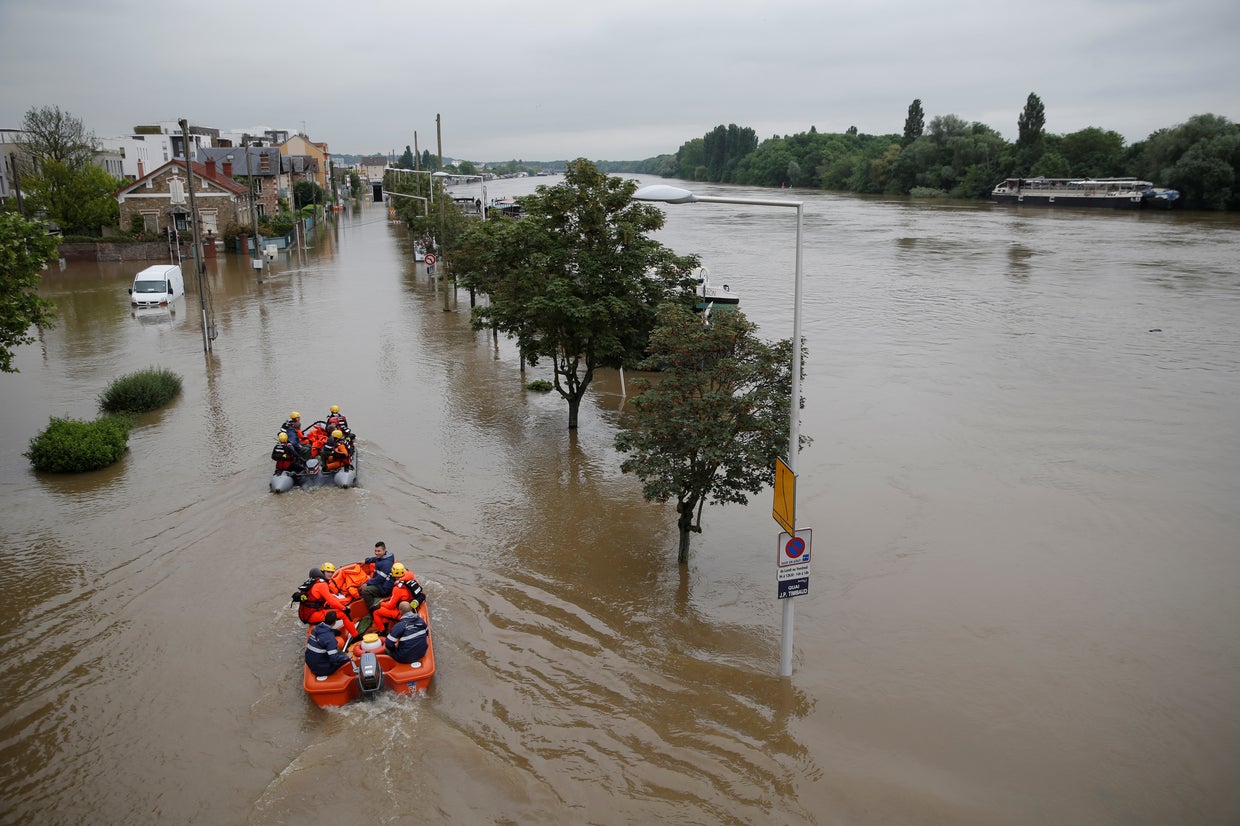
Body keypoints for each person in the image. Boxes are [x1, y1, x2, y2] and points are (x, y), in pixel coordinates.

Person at [300, 567, 358, 637]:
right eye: (328, 572)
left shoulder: (308, 584)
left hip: (305, 614)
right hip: (313, 615)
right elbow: (331, 601)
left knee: (329, 609)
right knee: (344, 614)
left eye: (331, 572)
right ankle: (355, 636)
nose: (330, 574)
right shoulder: (322, 584)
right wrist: (344, 608)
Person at [370, 563, 426, 634]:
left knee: (375, 611)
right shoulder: (410, 579)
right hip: (409, 608)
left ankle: (383, 631)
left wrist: (381, 603)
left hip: (401, 613)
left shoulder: (397, 589)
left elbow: (390, 606)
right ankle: (386, 622)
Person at [305, 611, 354, 677]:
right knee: (346, 659)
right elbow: (334, 658)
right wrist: (347, 657)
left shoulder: (316, 629)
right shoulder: (330, 639)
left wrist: (335, 632)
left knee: (335, 651)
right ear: (335, 621)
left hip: (310, 661)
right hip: (322, 668)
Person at [358, 541, 395, 610]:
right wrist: (365, 561)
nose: (376, 553)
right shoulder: (383, 557)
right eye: (375, 551)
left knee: (365, 591)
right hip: (380, 583)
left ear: (384, 550)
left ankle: (373, 608)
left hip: (384, 588)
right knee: (360, 585)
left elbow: (380, 579)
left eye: (379, 551)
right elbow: (375, 559)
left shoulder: (386, 563)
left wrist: (367, 584)